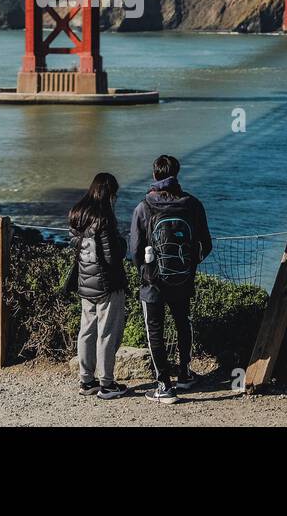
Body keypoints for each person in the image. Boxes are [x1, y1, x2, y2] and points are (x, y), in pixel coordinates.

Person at [129, 154, 212, 404]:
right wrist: (188, 264)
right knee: (182, 324)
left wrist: (144, 270)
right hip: (183, 280)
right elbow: (205, 244)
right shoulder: (193, 205)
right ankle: (185, 374)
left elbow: (134, 250)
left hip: (152, 282)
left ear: (154, 175)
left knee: (155, 331)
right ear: (177, 173)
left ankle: (164, 386)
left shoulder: (143, 207)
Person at [68, 172, 129, 399]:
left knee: (87, 330)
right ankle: (107, 384)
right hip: (107, 284)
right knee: (107, 333)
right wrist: (122, 242)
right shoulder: (104, 218)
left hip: (85, 281)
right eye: (114, 194)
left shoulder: (77, 212)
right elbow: (113, 257)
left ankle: (86, 381)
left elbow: (77, 244)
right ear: (109, 192)